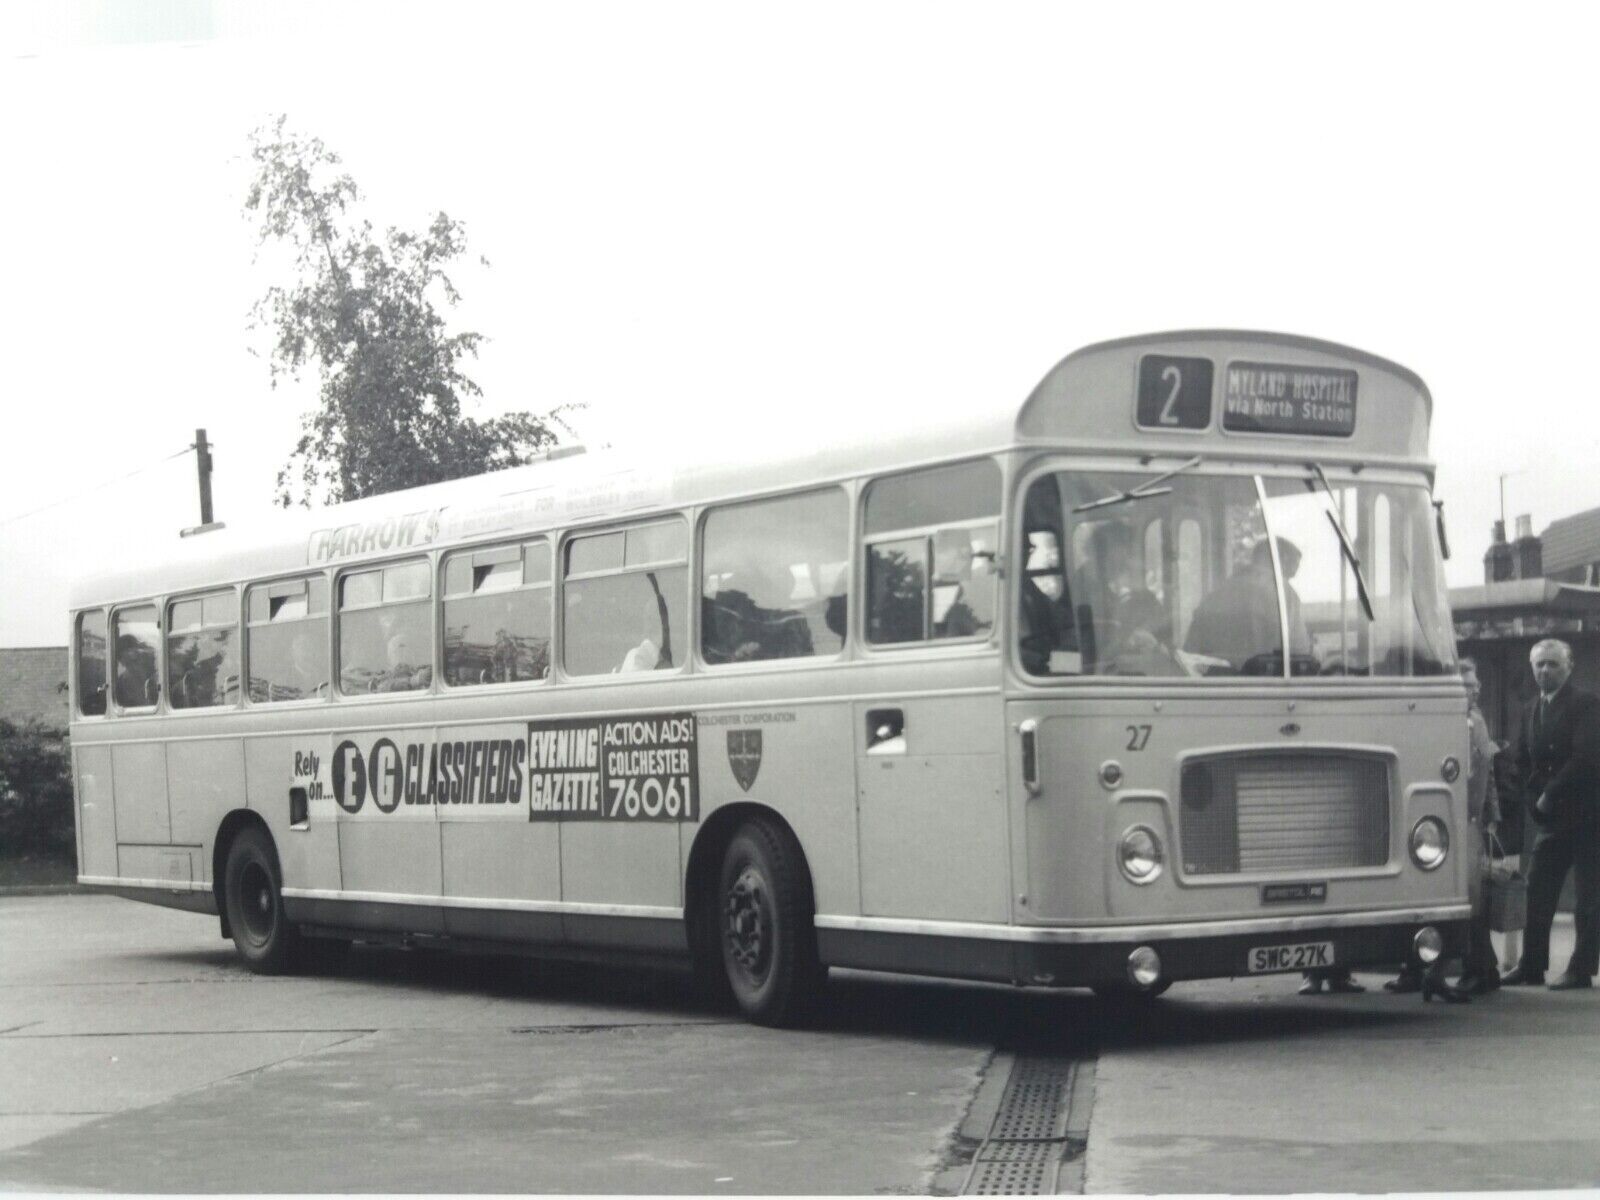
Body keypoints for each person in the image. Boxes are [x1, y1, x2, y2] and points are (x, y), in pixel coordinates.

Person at [1385, 657, 1499, 1000]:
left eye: (1475, 685)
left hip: (1465, 820)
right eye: (1467, 685)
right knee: (1435, 895)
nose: (1474, 691)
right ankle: (1431, 969)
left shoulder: (1474, 721)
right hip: (1437, 822)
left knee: (1467, 897)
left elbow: (1486, 772)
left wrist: (1490, 815)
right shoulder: (1442, 720)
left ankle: (1472, 970)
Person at [1502, 639, 1600, 989]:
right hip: (1551, 819)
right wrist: (1530, 799)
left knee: (1589, 899)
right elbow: (1523, 759)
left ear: (1569, 667)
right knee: (1537, 892)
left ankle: (1581, 969)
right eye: (1539, 664)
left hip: (1588, 817)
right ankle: (1531, 966)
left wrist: (1548, 795)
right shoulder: (1531, 708)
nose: (1545, 670)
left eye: (1553, 664)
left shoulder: (1587, 704)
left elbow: (1586, 758)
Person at [1184, 537, 1314, 674]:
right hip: (1261, 683)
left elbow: (1189, 653)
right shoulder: (1283, 594)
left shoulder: (1216, 593)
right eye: (1293, 569)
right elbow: (1299, 654)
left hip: (1212, 683)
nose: (1291, 577)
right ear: (1284, 560)